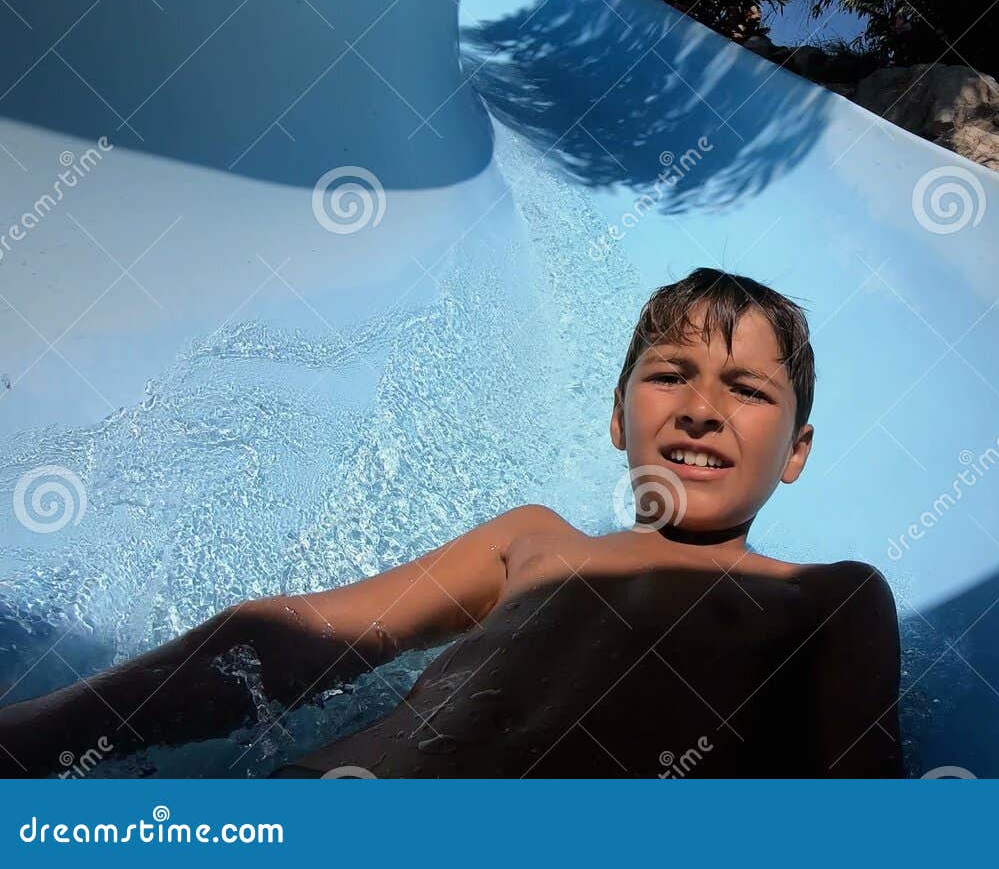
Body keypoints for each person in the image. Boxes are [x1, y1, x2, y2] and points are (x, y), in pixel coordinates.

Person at [0, 268, 902, 778]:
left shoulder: (826, 599)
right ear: (618, 417)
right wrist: (36, 733)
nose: (701, 409)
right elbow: (295, 638)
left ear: (797, 450)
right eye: (670, 375)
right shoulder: (534, 540)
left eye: (746, 391)